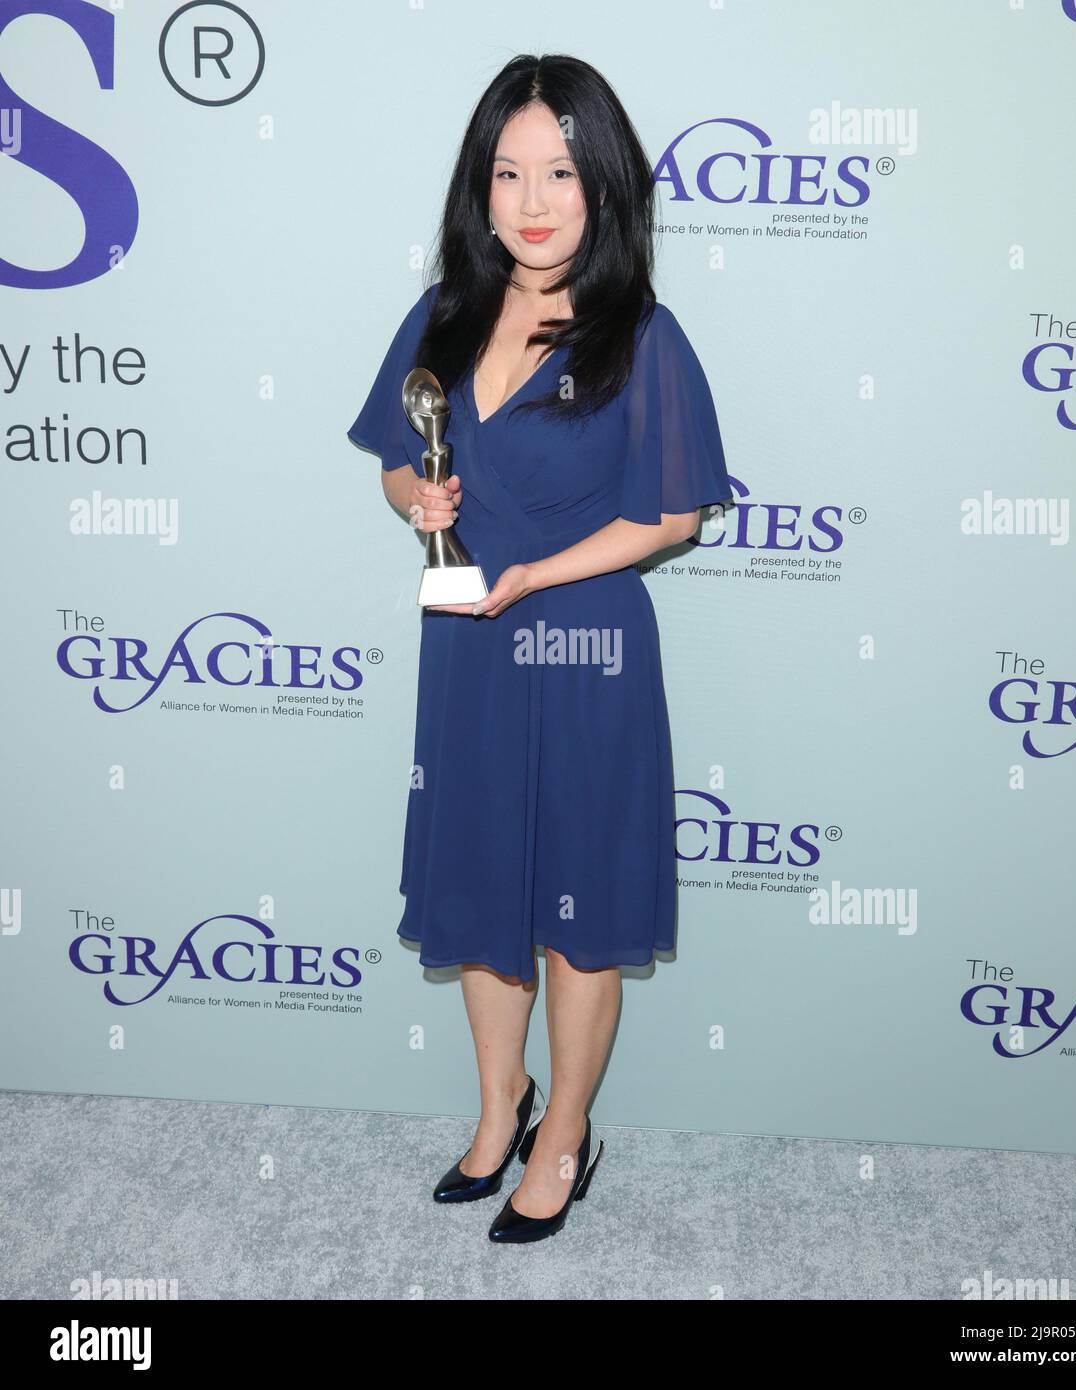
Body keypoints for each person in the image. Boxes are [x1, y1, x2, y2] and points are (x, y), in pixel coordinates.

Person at [347, 54, 730, 1244]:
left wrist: (537, 573)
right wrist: (422, 499)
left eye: (559, 171)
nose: (532, 199)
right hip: (467, 649)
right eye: (508, 171)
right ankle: (495, 1104)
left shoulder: (640, 336)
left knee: (577, 909)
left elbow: (670, 514)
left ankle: (563, 1133)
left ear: (603, 186)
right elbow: (396, 451)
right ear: (480, 184)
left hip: (585, 659)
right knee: (479, 881)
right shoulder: (448, 310)